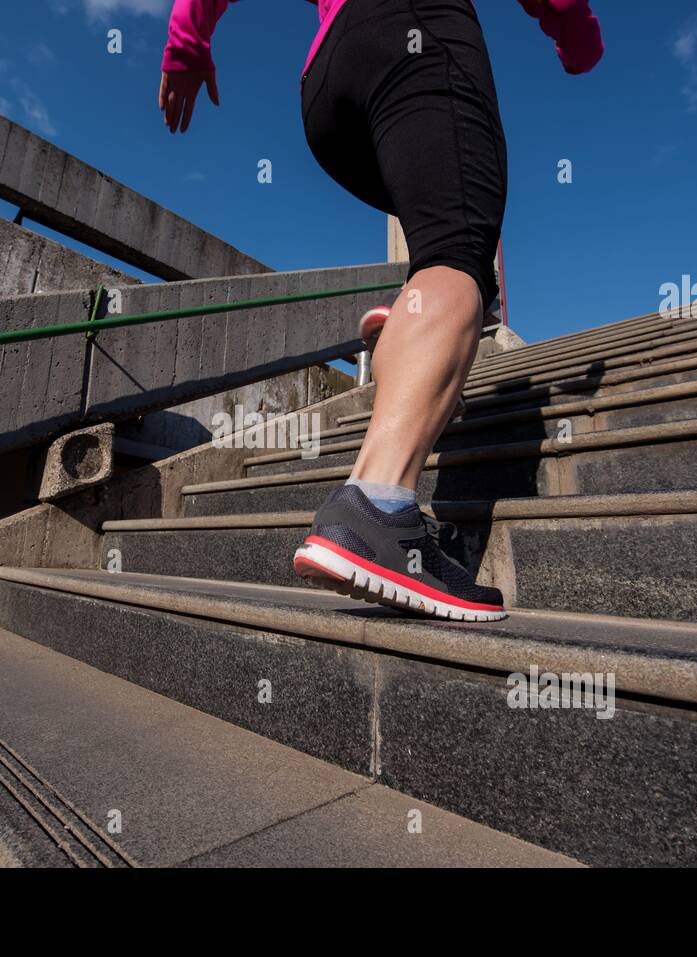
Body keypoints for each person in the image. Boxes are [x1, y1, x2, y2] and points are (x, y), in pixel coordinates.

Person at [160, 0, 603, 622]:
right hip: (412, 28)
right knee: (460, 249)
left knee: (439, 235)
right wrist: (576, 35)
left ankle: (413, 341)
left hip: (328, 89)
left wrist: (187, 42)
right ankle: (376, 506)